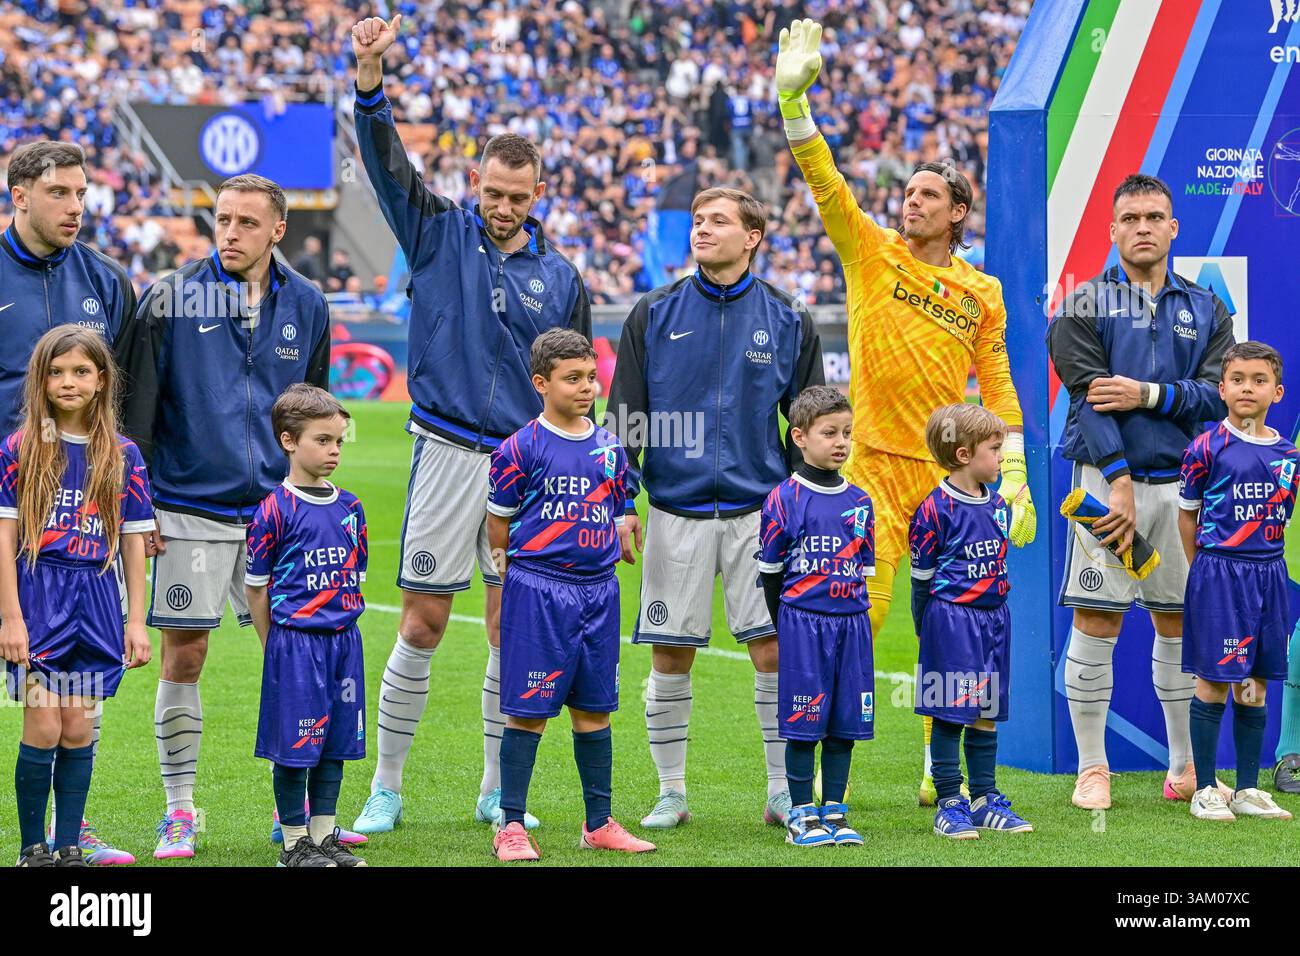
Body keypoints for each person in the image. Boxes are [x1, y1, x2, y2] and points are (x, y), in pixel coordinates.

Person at [776, 18, 1035, 806]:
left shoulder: (980, 292)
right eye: (909, 192)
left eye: (928, 195)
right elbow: (826, 182)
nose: (910, 202)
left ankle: (940, 765)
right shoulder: (870, 250)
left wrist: (1014, 470)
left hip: (948, 483)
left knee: (949, 630)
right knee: (857, 615)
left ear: (959, 212)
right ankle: (823, 777)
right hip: (869, 474)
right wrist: (795, 104)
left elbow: (996, 380)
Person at [348, 15, 591, 835]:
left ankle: (494, 787)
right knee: (423, 618)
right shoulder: (436, 230)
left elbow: (579, 386)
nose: (502, 208)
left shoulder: (562, 277)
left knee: (506, 627)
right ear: (475, 182)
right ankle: (385, 785)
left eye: (518, 198)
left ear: (539, 195)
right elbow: (386, 166)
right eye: (492, 192)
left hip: (527, 468)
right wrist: (372, 80)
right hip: (447, 453)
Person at [116, 173, 332, 859]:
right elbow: (136, 415)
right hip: (187, 508)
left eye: (245, 222)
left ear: (277, 230)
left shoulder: (309, 304)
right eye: (222, 219)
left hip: (278, 513)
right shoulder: (170, 299)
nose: (230, 233)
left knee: (293, 659)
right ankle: (179, 813)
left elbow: (314, 413)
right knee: (186, 654)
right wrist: (139, 506)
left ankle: (292, 815)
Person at [604, 185, 823, 829]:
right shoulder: (654, 311)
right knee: (670, 653)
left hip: (763, 515)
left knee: (774, 651)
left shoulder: (788, 316)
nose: (702, 229)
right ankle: (671, 792)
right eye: (698, 220)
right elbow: (625, 418)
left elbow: (809, 422)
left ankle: (783, 792)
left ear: (752, 237)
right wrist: (623, 502)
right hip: (675, 510)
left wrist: (803, 501)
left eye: (718, 221)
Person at [1047, 173, 1236, 811]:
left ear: (1174, 227)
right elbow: (1089, 396)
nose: (1143, 227)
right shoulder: (1081, 306)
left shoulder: (1209, 307)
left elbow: (1220, 395)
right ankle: (1092, 767)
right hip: (1105, 483)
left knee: (1177, 621)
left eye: (1155, 216)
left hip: (1185, 488)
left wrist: (1151, 394)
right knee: (1097, 618)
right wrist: (1120, 479)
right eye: (1130, 218)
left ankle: (1183, 768)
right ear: (1113, 230)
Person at [1, 140, 140, 864]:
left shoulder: (107, 280)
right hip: (8, 512)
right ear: (18, 195)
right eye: (58, 192)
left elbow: (130, 395)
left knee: (69, 698)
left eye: (81, 193)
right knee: (28, 686)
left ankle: (65, 835)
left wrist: (130, 505)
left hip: (74, 530)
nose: (75, 207)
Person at [485, 329, 654, 861]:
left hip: (599, 592)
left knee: (594, 709)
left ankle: (599, 822)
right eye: (572, 378)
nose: (587, 387)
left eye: (591, 377)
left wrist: (619, 529)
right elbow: (498, 526)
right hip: (539, 590)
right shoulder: (519, 448)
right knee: (528, 710)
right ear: (541, 383)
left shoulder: (609, 447)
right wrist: (510, 586)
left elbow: (620, 500)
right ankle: (510, 824)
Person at [0, 326, 154, 866]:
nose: (68, 382)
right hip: (40, 592)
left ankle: (68, 847)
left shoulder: (124, 454)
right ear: (40, 380)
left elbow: (135, 543)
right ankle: (30, 849)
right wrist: (10, 617)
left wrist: (135, 620)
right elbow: (5, 537)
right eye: (56, 371)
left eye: (81, 371)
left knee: (78, 725)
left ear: (102, 379)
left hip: (96, 600)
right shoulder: (21, 448)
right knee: (43, 721)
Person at [246, 384, 370, 866]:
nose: (334, 450)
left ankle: (323, 837)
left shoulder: (351, 507)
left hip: (344, 642)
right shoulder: (275, 509)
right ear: (288, 441)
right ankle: (294, 844)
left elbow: (356, 575)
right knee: (296, 745)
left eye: (339, 440)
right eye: (322, 440)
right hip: (295, 644)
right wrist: (271, 643)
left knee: (335, 743)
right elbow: (257, 587)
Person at [1176, 341, 1296, 822]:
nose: (1248, 387)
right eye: (1239, 379)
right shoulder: (1206, 448)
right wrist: (1203, 572)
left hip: (1268, 575)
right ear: (1222, 388)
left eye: (1259, 380)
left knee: (1255, 684)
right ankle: (1205, 789)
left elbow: (1281, 520)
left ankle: (1247, 789)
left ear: (1278, 391)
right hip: (1219, 574)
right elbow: (1188, 519)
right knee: (1213, 682)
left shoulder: (1289, 456)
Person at [757, 386, 873, 848]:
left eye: (846, 432)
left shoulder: (860, 501)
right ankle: (801, 815)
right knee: (805, 722)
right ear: (800, 436)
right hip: (804, 622)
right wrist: (785, 625)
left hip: (852, 624)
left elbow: (863, 571)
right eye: (830, 433)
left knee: (845, 722)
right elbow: (771, 574)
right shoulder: (784, 498)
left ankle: (836, 813)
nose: (841, 441)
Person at [910, 404, 1032, 839]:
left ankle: (984, 798)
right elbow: (921, 581)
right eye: (995, 449)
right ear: (964, 455)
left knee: (985, 712)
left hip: (994, 620)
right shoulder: (934, 510)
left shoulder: (998, 505)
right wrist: (929, 629)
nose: (1002, 458)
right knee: (950, 712)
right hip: (952, 622)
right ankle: (950, 802)